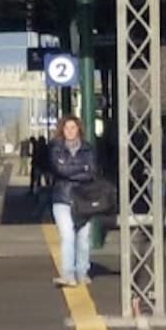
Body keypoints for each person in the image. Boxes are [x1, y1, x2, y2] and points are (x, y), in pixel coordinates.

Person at [46, 116, 99, 288]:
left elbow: (92, 172)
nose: (70, 131)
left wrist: (70, 169)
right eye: (67, 128)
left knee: (83, 238)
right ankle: (68, 274)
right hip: (62, 198)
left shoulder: (88, 149)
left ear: (79, 129)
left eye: (73, 128)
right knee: (68, 235)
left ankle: (82, 272)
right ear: (62, 130)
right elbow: (59, 169)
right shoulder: (56, 148)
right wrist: (82, 168)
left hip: (84, 199)